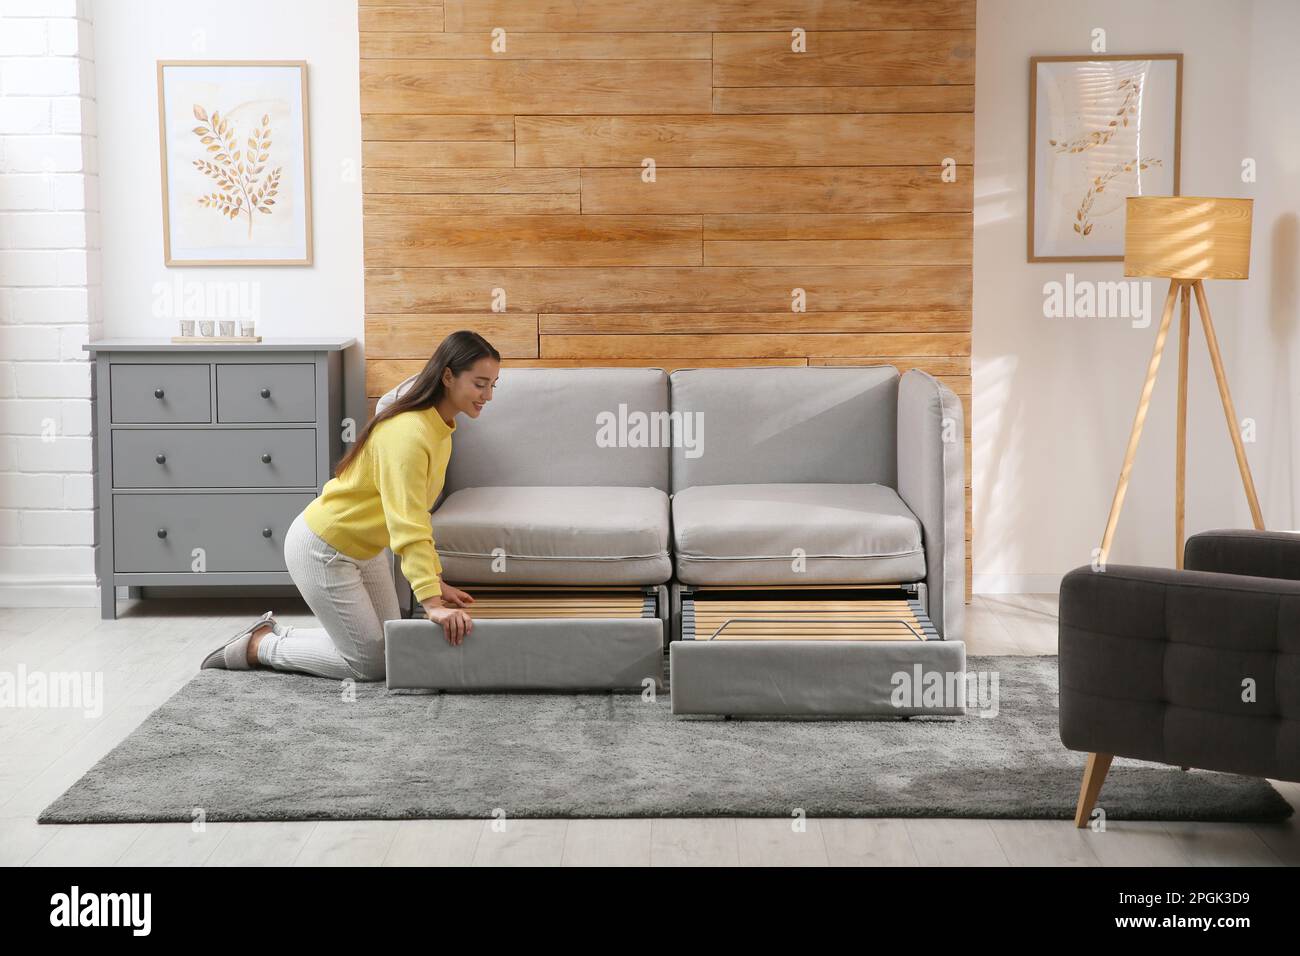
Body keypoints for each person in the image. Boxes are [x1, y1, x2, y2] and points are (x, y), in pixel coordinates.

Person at [200, 330, 501, 680]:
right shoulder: (410, 434)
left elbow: (417, 516)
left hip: (365, 549)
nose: (489, 395)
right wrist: (431, 603)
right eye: (481, 384)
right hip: (324, 548)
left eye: (494, 384)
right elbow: (407, 525)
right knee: (371, 665)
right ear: (448, 376)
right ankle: (259, 647)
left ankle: (274, 632)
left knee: (393, 644)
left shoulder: (440, 430)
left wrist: (434, 582)